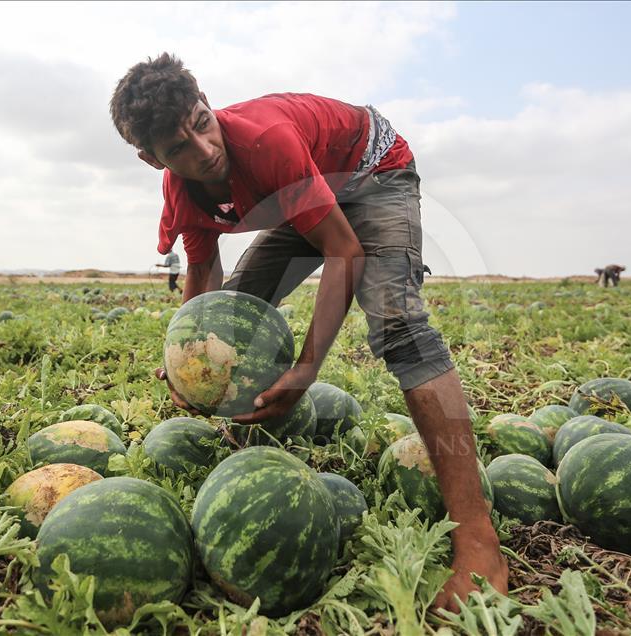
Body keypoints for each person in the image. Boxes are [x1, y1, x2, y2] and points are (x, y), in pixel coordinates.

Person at [109, 53, 507, 610]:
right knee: (233, 319)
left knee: (401, 330)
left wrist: (306, 367)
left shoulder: (264, 142)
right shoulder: (180, 191)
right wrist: (186, 356)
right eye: (179, 149)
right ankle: (248, 448)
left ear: (207, 104)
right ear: (152, 160)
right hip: (305, 194)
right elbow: (202, 274)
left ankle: (478, 541)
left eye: (203, 123)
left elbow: (344, 250)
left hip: (372, 170)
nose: (205, 149)